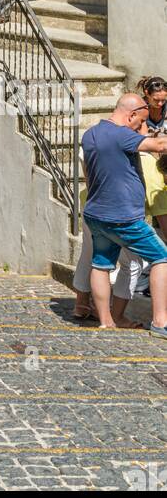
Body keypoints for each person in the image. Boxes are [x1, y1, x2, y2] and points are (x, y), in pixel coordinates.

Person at [80, 93, 167, 337]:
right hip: (123, 217)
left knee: (101, 263)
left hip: (96, 214)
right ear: (130, 115)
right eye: (140, 122)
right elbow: (160, 145)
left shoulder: (91, 134)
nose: (141, 128)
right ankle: (160, 321)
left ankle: (107, 320)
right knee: (162, 257)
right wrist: (147, 137)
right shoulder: (121, 136)